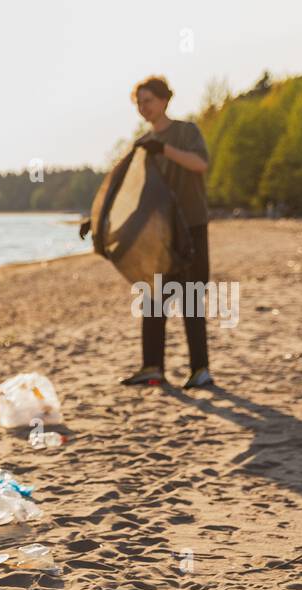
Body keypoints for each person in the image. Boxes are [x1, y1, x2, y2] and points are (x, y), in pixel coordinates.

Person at [120, 76, 215, 390]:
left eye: (148, 100)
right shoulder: (143, 143)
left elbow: (200, 164)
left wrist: (163, 149)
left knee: (190, 299)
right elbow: (132, 193)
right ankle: (152, 368)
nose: (143, 107)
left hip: (191, 227)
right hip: (158, 236)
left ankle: (200, 370)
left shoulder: (186, 132)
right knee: (152, 300)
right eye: (139, 102)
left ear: (164, 100)